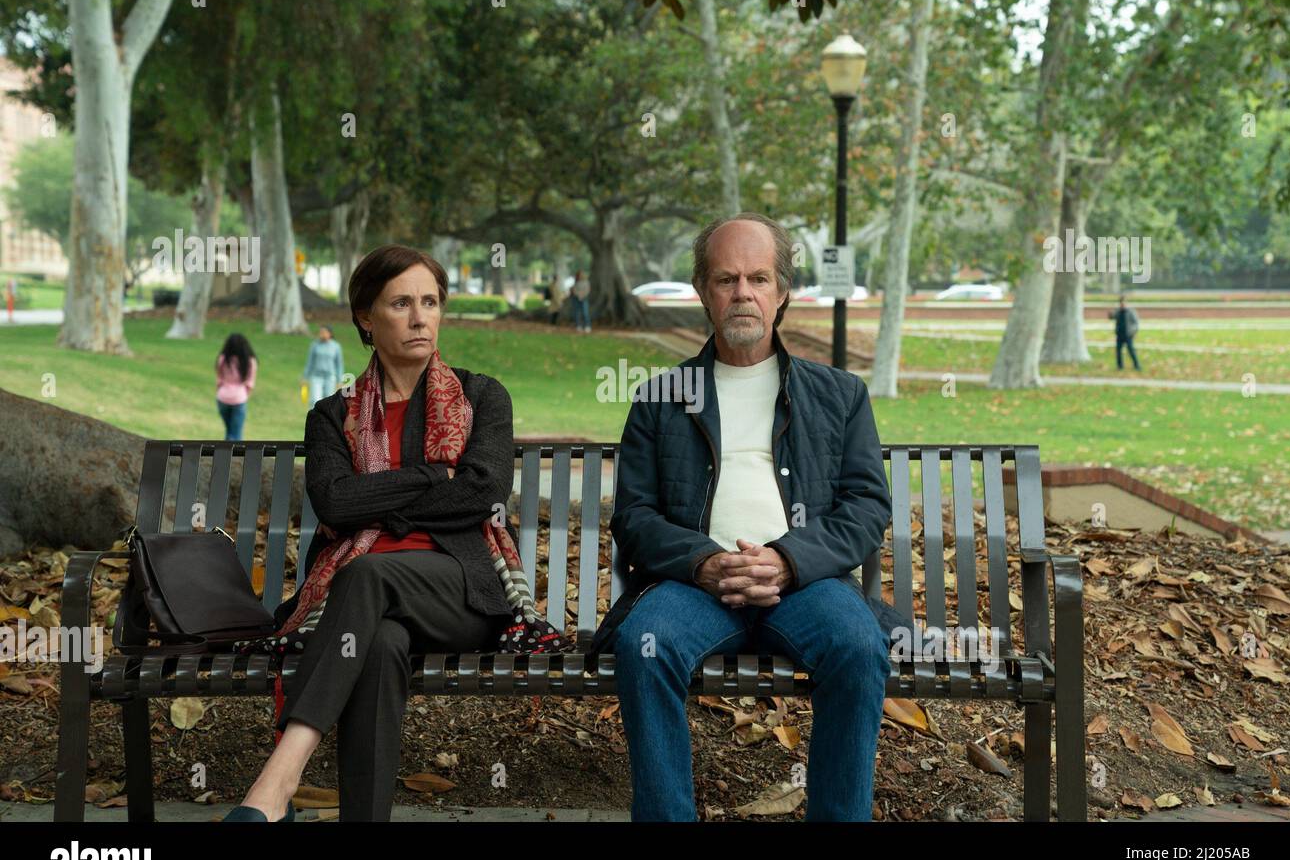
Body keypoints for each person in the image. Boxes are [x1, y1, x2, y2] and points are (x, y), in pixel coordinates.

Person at [224, 245, 564, 823]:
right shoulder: (333, 414)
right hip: (359, 613)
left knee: (369, 571)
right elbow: (333, 499)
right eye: (401, 302)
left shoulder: (482, 397)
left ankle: (277, 781)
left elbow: (482, 493)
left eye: (429, 302)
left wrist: (378, 508)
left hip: (461, 593)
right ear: (366, 316)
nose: (419, 317)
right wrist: (435, 476)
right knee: (377, 643)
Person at [589, 212, 908, 822]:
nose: (743, 293)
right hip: (693, 588)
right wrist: (706, 564)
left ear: (782, 292)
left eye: (758, 278)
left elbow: (867, 507)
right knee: (644, 647)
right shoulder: (660, 397)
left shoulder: (840, 395)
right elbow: (634, 515)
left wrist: (788, 561)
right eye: (726, 279)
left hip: (806, 586)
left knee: (858, 645)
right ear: (703, 293)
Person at [215, 334, 258, 440]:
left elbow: (219, 380)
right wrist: (244, 395)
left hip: (222, 398)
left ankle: (225, 452)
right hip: (239, 399)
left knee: (229, 431)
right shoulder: (249, 362)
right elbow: (250, 383)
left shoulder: (223, 359)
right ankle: (235, 456)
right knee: (237, 433)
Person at [303, 324, 345, 405]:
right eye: (320, 332)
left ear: (330, 334)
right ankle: (315, 417)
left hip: (330, 377)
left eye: (323, 332)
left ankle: (325, 418)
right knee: (315, 400)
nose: (321, 334)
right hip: (316, 377)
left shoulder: (336, 347)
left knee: (328, 401)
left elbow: (339, 364)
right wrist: (305, 377)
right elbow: (310, 362)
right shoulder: (314, 345)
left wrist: (340, 380)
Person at [1108, 294, 1141, 370]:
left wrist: (1133, 332)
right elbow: (1112, 317)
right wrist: (1110, 314)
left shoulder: (1131, 311)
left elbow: (1136, 323)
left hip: (1128, 334)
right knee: (1118, 351)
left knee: (1131, 350)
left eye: (1124, 303)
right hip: (1120, 334)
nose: (1122, 304)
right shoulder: (1118, 311)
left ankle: (1137, 365)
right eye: (1121, 303)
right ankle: (1120, 366)